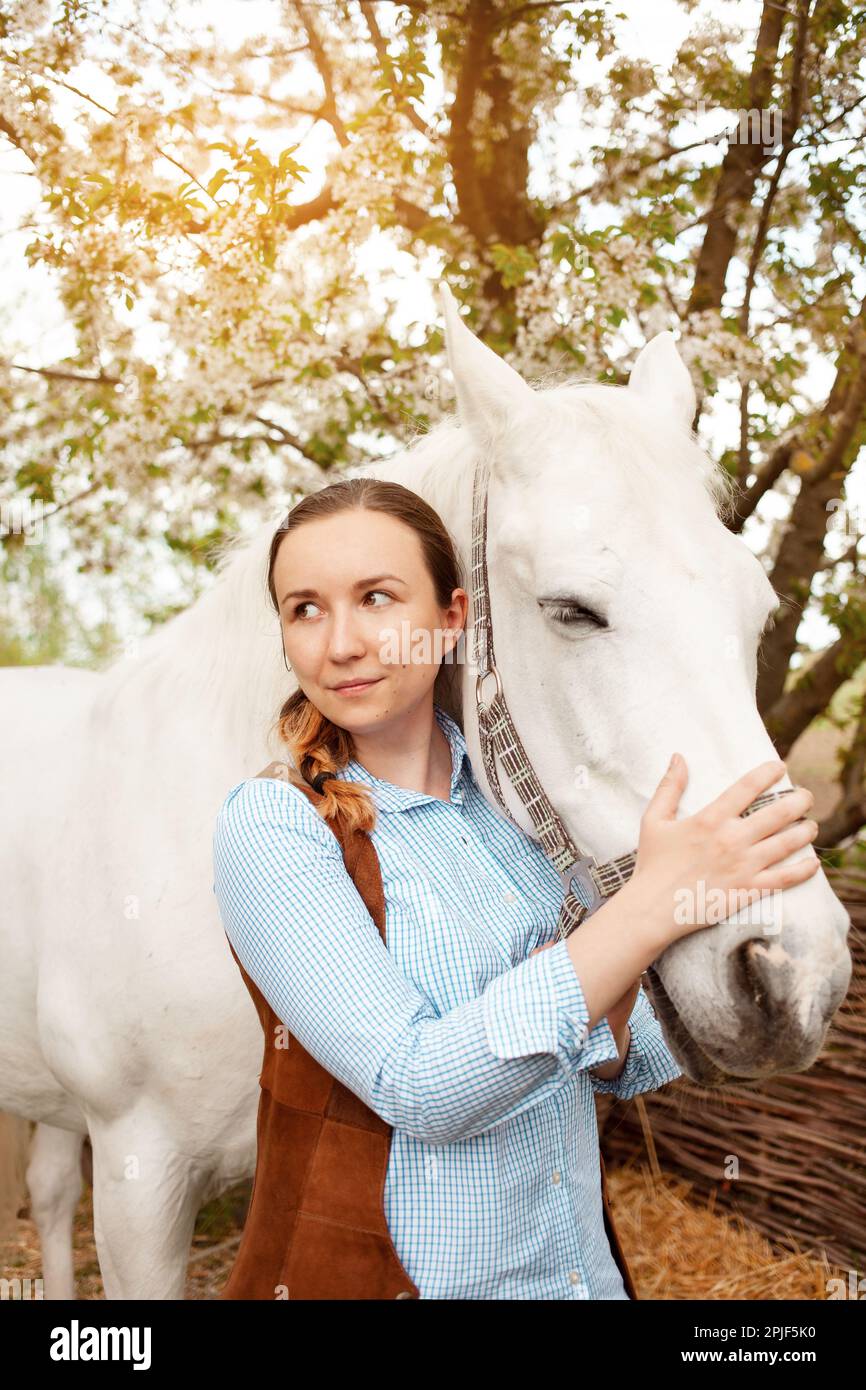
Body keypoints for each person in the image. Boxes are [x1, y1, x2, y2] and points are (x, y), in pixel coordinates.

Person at [212, 476, 819, 1300]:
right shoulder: (275, 827)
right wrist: (640, 917)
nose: (341, 643)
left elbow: (628, 1060)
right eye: (305, 609)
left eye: (377, 598)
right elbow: (417, 1086)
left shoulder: (522, 817)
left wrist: (651, 958)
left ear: (453, 619)